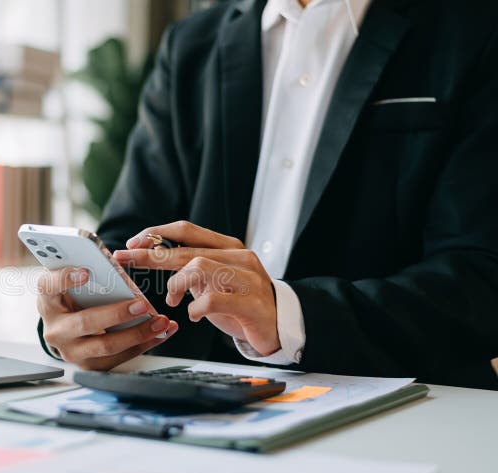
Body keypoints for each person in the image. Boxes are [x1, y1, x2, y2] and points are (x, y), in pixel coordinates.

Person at [36, 0, 498, 390]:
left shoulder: (474, 29)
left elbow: (481, 278)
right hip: (192, 403)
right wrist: (84, 321)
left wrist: (288, 314)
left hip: (409, 410)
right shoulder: (191, 45)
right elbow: (129, 243)